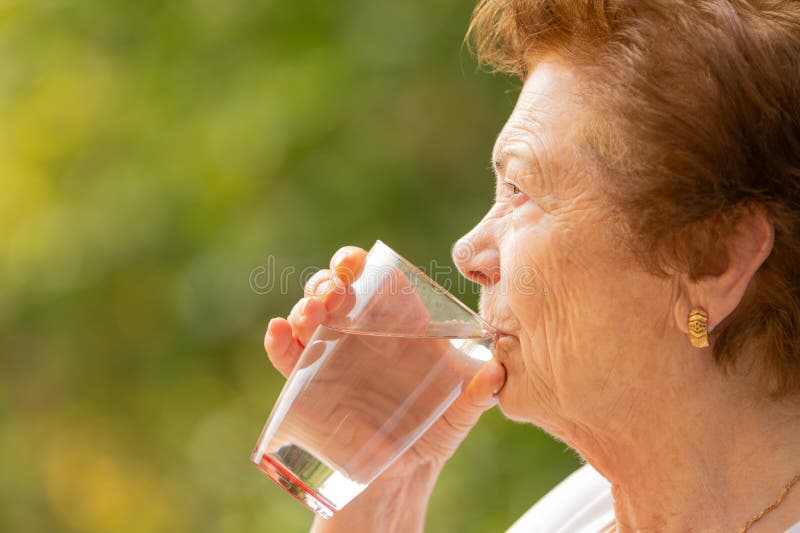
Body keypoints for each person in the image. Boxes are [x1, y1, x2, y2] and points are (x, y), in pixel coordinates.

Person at [264, 1, 800, 531]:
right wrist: (386, 490)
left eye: (520, 189)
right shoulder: (574, 515)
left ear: (712, 260)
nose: (467, 253)